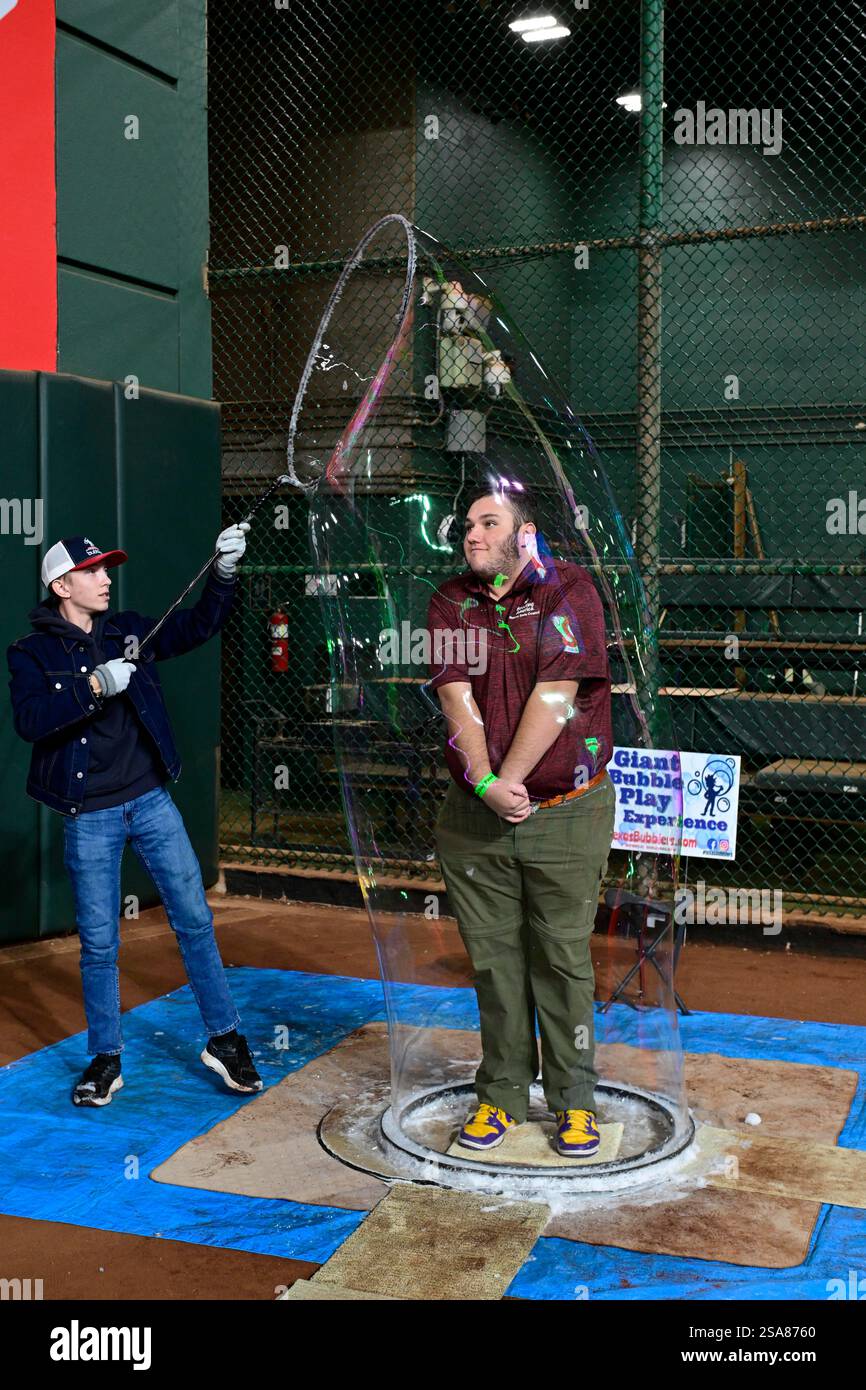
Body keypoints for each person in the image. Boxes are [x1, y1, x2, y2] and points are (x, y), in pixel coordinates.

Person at [6, 527, 263, 1107]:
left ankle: (224, 1040)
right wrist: (95, 685)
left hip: (150, 801)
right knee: (99, 944)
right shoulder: (31, 653)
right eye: (93, 571)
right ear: (61, 585)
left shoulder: (127, 629)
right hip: (89, 815)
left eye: (106, 569)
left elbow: (196, 625)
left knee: (194, 920)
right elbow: (32, 721)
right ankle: (105, 1058)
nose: (105, 578)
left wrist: (223, 572)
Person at [427, 482, 616, 1157]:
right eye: (467, 525)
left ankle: (574, 1102)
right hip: (475, 815)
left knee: (562, 960)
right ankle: (501, 1092)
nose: (472, 535)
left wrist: (508, 782)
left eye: (488, 523)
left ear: (524, 533)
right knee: (495, 960)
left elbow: (557, 692)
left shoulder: (570, 592)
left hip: (565, 812)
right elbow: (455, 696)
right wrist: (482, 784)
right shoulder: (452, 600)